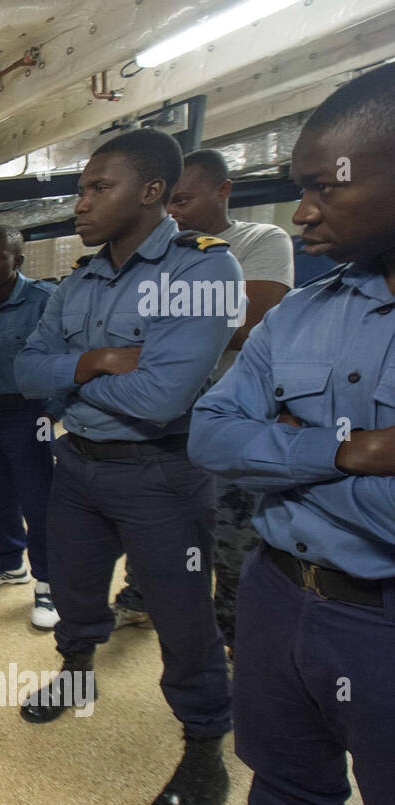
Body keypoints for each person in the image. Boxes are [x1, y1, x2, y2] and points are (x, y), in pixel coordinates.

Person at [189, 63, 395, 805]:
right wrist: (348, 453)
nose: (303, 214)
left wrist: (278, 460)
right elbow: (211, 434)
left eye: (325, 189)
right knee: (283, 794)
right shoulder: (303, 314)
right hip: (277, 597)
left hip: (378, 621)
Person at [14, 127, 242, 805]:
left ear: (151, 192)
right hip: (77, 466)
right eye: (81, 188)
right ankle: (77, 670)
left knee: (180, 616)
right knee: (77, 589)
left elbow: (160, 399)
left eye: (96, 187)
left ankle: (205, 743)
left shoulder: (204, 271)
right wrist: (95, 364)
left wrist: (69, 379)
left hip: (161, 476)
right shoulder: (79, 277)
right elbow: (24, 371)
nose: (79, 203)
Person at [112, 150, 295, 647]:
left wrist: (163, 330)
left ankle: (234, 634)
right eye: (167, 201)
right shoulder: (157, 253)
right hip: (164, 408)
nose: (173, 212)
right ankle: (141, 596)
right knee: (154, 515)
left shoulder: (260, 240)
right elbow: (120, 327)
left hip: (234, 411)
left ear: (224, 190)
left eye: (184, 199)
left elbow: (249, 322)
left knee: (232, 529)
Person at [0, 225, 59, 630]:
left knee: (38, 500)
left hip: (27, 414)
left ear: (17, 261)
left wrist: (51, 412)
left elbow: (61, 357)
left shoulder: (44, 300)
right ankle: (9, 564)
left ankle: (49, 583)